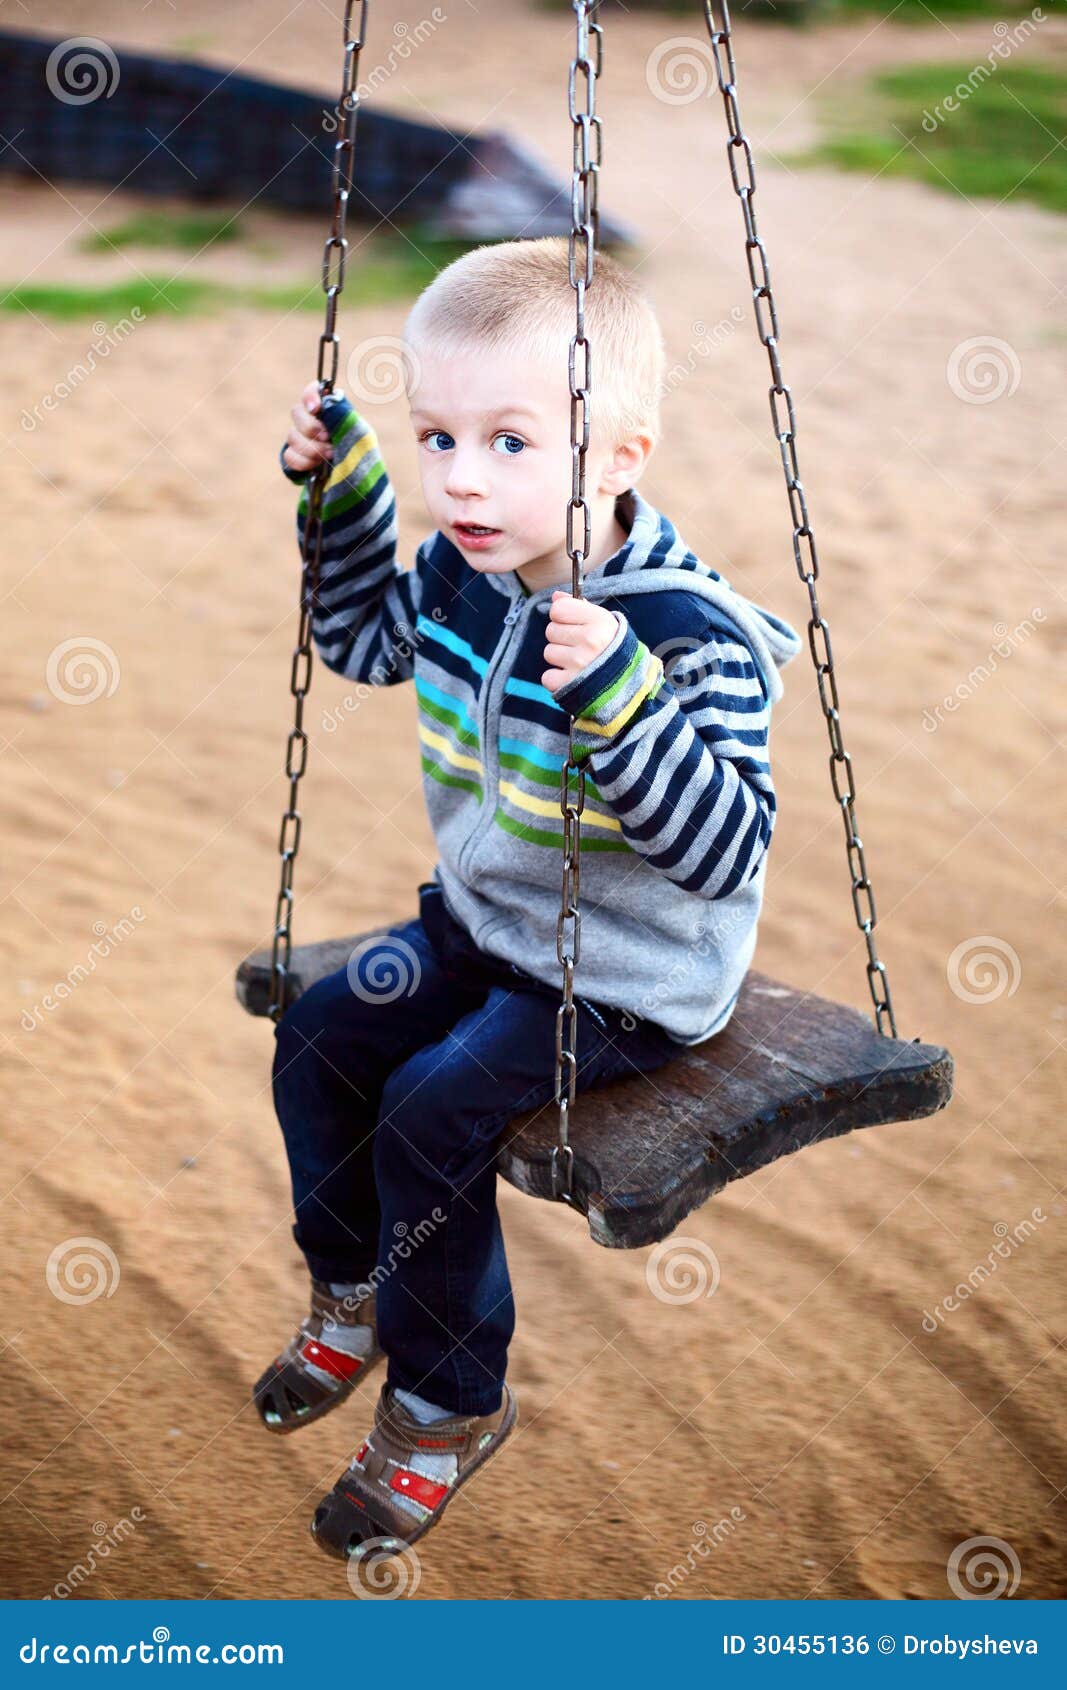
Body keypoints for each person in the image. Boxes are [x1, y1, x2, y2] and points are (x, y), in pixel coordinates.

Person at [253, 236, 802, 1562]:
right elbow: (364, 642)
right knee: (323, 1030)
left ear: (618, 458)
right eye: (437, 435)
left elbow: (725, 846)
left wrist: (622, 699)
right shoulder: (461, 561)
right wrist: (348, 498)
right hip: (487, 923)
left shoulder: (687, 635)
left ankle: (446, 1403)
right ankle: (355, 1291)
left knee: (434, 1110)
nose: (461, 479)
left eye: (510, 443)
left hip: (626, 974)